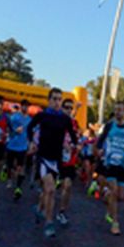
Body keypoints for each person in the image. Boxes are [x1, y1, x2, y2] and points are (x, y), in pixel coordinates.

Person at [28, 88, 78, 238]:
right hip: (43, 157)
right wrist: (31, 142)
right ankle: (49, 223)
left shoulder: (65, 119)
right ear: (49, 100)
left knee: (49, 191)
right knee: (50, 189)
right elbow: (30, 128)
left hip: (57, 160)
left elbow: (74, 137)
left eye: (59, 99)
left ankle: (39, 209)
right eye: (55, 99)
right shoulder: (42, 115)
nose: (57, 102)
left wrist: (73, 146)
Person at [95, 102, 124, 236]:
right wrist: (100, 150)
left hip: (123, 165)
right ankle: (115, 223)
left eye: (120, 110)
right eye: (116, 110)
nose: (118, 112)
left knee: (120, 196)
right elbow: (100, 140)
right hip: (110, 162)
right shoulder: (109, 126)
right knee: (114, 190)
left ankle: (107, 198)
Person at [55, 97, 82, 226]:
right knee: (48, 189)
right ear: (61, 108)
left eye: (71, 108)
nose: (69, 110)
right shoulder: (56, 121)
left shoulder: (75, 124)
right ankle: (43, 207)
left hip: (70, 160)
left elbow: (77, 138)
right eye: (66, 107)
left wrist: (78, 146)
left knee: (68, 185)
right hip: (55, 158)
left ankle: (62, 211)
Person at [5, 99, 32, 200]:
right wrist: (15, 131)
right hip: (11, 145)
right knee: (10, 166)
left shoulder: (29, 120)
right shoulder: (15, 117)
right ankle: (9, 179)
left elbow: (31, 132)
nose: (25, 107)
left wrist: (30, 143)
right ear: (21, 106)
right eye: (24, 105)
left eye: (27, 106)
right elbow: (8, 128)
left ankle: (18, 187)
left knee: (21, 167)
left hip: (22, 146)